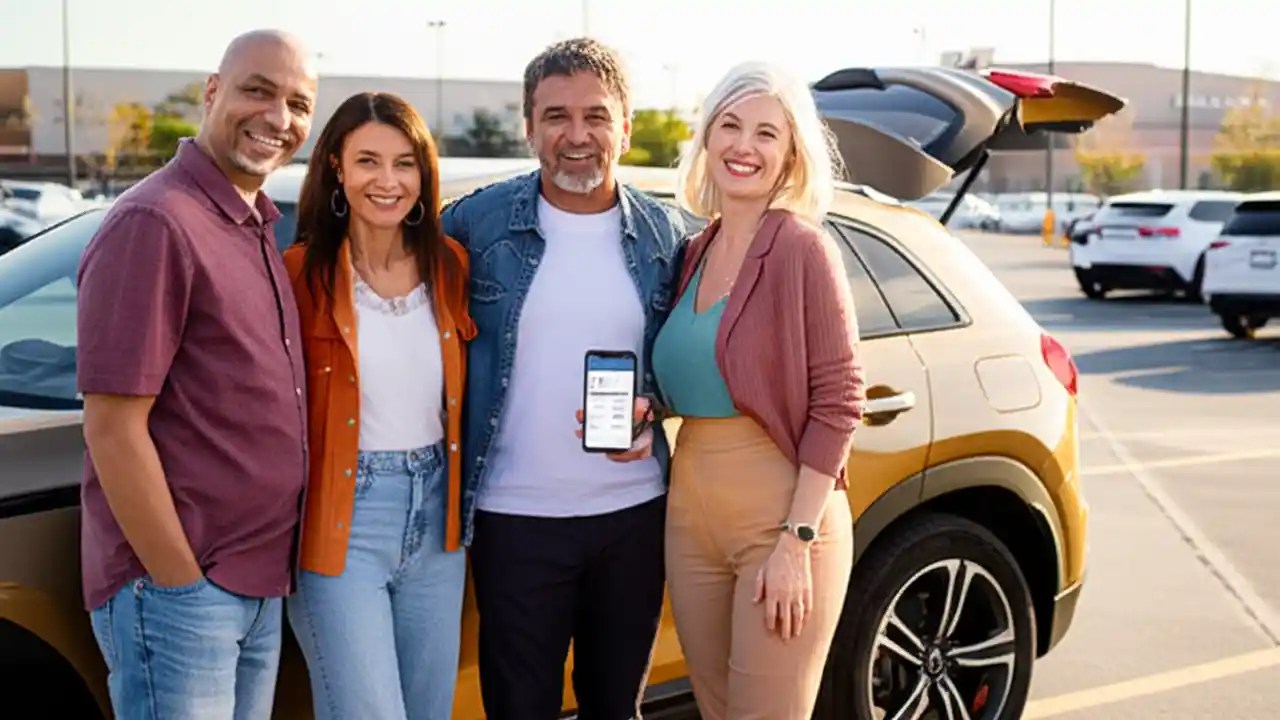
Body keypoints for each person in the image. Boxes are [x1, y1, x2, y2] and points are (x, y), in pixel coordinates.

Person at [440, 37, 687, 720]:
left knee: (616, 708)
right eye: (556, 116)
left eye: (596, 117)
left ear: (626, 129)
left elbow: (692, 357)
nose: (576, 136)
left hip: (634, 518)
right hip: (514, 519)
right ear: (529, 127)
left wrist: (652, 407)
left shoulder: (668, 237)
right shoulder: (475, 224)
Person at [76, 29, 317, 718]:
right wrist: (179, 581)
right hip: (185, 592)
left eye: (298, 104)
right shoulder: (157, 222)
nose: (278, 119)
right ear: (213, 92)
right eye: (258, 91)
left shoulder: (247, 222)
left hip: (253, 583)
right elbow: (113, 427)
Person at [651, 61, 866, 719]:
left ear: (791, 153)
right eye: (731, 125)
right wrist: (648, 404)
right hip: (691, 521)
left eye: (766, 133)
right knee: (715, 709)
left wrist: (795, 542)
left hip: (782, 521)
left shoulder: (802, 248)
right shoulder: (694, 251)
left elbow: (840, 397)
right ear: (708, 138)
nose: (744, 146)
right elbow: (706, 377)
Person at [281, 91, 473, 720]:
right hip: (344, 522)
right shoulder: (299, 274)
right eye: (368, 161)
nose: (388, 182)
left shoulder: (451, 267)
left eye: (405, 163)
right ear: (336, 166)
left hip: (439, 524)